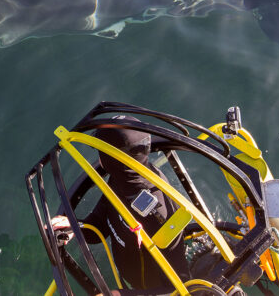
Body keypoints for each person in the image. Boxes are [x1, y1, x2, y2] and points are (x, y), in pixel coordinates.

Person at [52, 120, 189, 292]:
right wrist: (75, 226)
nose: (98, 157)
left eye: (100, 151)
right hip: (132, 277)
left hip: (147, 288)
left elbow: (180, 285)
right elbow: (101, 225)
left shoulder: (157, 213)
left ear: (112, 158)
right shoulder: (121, 180)